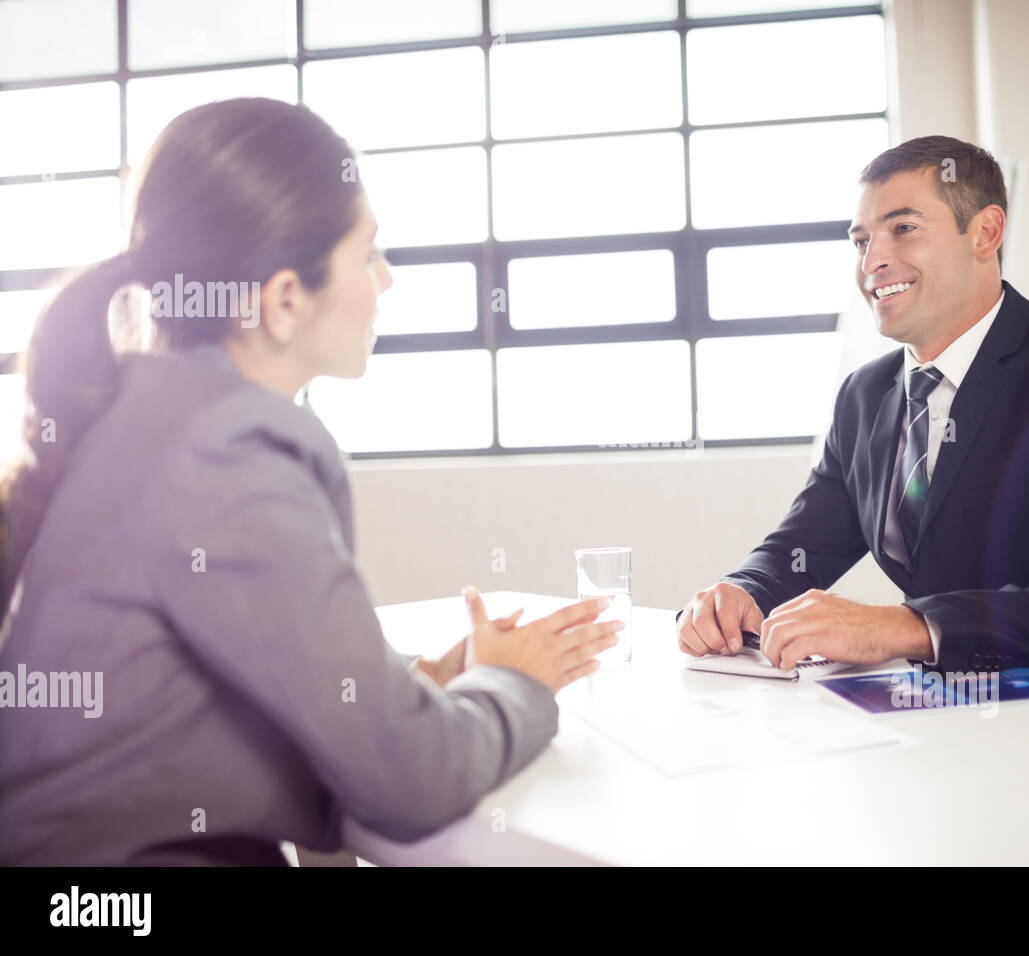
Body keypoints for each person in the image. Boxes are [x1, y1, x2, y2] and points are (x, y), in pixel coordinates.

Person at [0, 98, 620, 865]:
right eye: (368, 254)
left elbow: (224, 675)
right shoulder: (229, 450)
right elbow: (412, 781)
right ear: (285, 299)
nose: (386, 281)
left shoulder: (148, 416)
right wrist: (510, 684)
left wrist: (420, 680)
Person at [677, 135, 1029, 673]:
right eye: (860, 242)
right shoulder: (863, 396)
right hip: (933, 719)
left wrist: (912, 626)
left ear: (986, 233)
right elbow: (801, 548)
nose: (872, 261)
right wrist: (741, 592)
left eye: (903, 229)